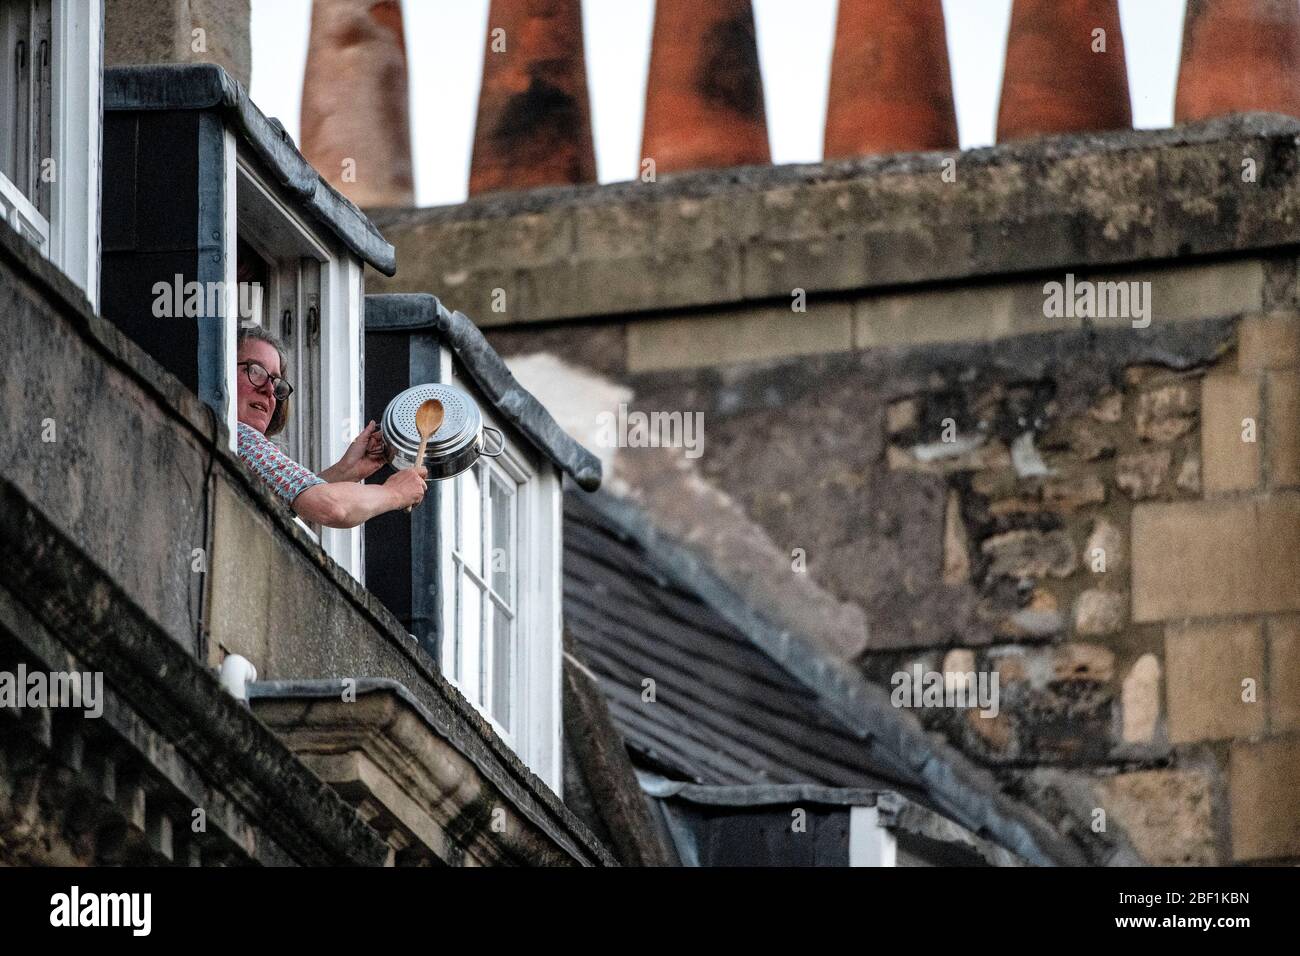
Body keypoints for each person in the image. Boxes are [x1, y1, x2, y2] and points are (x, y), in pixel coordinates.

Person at [234, 325, 427, 527]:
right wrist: (394, 492)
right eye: (255, 371)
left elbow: (293, 498)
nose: (269, 389)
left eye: (275, 381)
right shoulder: (241, 436)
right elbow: (331, 507)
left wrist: (348, 470)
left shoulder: (241, 449)